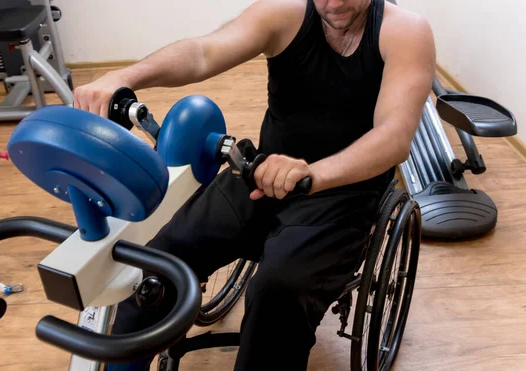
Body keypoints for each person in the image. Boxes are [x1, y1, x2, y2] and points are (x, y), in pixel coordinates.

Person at [74, 0, 435, 369]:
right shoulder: (285, 14)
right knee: (160, 259)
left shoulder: (405, 32)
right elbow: (203, 52)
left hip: (343, 195)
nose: (335, 3)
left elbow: (394, 137)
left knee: (276, 292)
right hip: (262, 175)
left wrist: (311, 175)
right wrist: (124, 77)